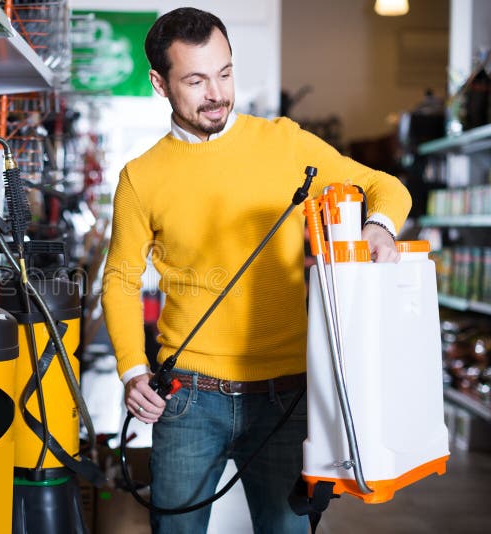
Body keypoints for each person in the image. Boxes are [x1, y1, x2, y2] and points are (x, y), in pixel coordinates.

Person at [101, 7, 411, 534]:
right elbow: (120, 280)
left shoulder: (284, 143)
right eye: (196, 80)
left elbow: (386, 186)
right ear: (159, 83)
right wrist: (133, 370)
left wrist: (378, 226)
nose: (216, 93)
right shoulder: (141, 177)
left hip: (284, 398)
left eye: (224, 73)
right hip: (187, 399)